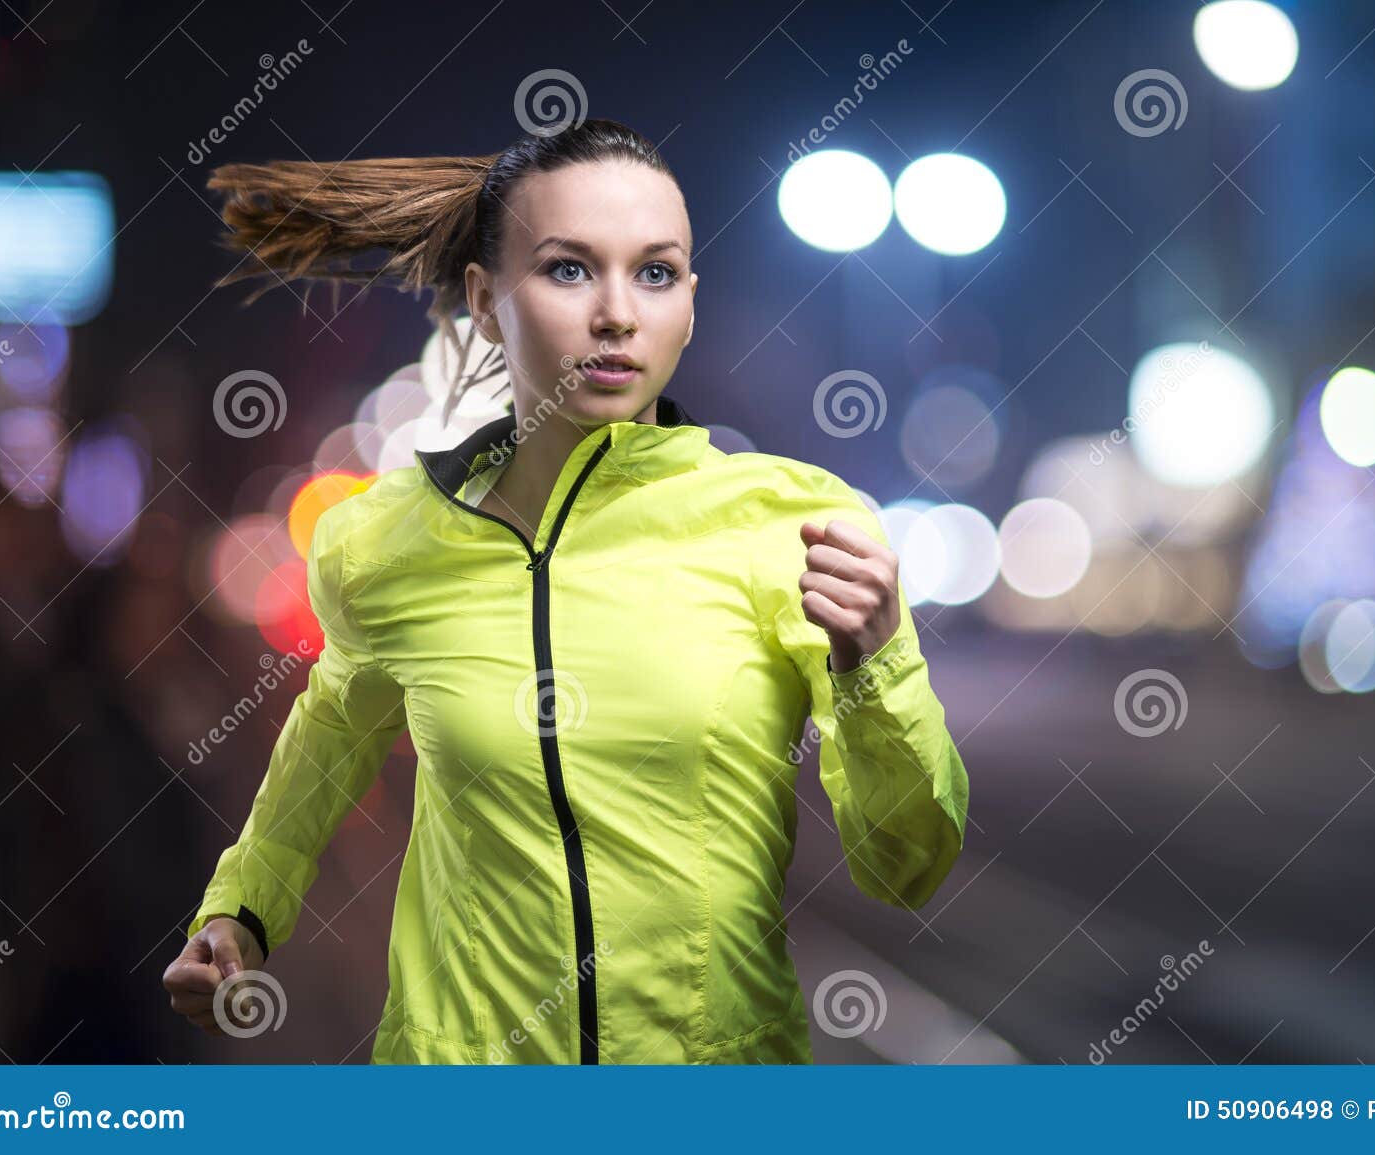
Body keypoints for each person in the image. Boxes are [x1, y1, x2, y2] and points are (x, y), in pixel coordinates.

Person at [162, 117, 970, 1064]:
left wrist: (878, 669)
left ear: (691, 302)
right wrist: (242, 911)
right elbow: (331, 735)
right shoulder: (388, 539)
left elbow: (906, 865)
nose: (619, 313)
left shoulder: (791, 525)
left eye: (656, 272)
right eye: (569, 269)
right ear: (484, 297)